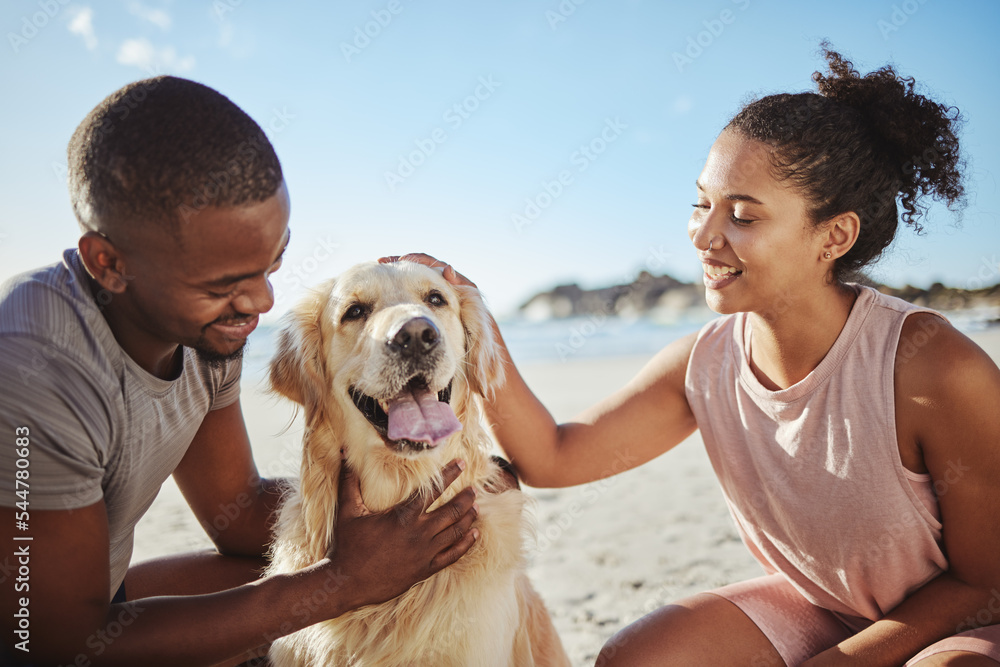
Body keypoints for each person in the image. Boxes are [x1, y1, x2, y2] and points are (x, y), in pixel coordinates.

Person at [397, 46, 1000, 666]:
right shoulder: (704, 365)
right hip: (827, 604)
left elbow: (985, 584)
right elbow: (553, 456)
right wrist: (474, 321)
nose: (705, 236)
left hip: (961, 624)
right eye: (700, 203)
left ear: (834, 235)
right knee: (634, 659)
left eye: (741, 216)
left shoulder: (933, 368)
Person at [0, 76, 480, 667]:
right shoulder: (31, 362)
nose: (261, 301)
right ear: (110, 263)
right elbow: (47, 642)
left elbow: (241, 511)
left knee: (272, 565)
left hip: (100, 598)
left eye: (272, 262)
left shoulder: (203, 332)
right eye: (224, 284)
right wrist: (345, 580)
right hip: (34, 631)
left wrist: (427, 511)